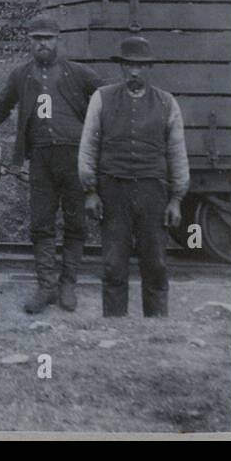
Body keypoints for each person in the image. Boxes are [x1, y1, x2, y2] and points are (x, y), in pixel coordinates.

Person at [0, 15, 102, 313]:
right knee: (41, 222)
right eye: (37, 39)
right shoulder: (21, 76)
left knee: (76, 223)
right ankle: (46, 286)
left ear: (58, 40)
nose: (42, 44)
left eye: (47, 38)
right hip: (40, 159)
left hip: (75, 158)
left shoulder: (78, 73)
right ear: (30, 42)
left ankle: (68, 284)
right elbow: (1, 105)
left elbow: (105, 98)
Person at [78, 35, 190, 318]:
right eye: (129, 65)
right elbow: (88, 146)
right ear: (121, 67)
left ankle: (156, 327)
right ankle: (115, 327)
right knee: (113, 265)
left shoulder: (167, 103)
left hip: (153, 193)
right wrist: (90, 191)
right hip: (113, 192)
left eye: (140, 66)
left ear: (149, 68)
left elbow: (177, 153)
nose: (135, 71)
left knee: (156, 265)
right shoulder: (101, 99)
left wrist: (176, 199)